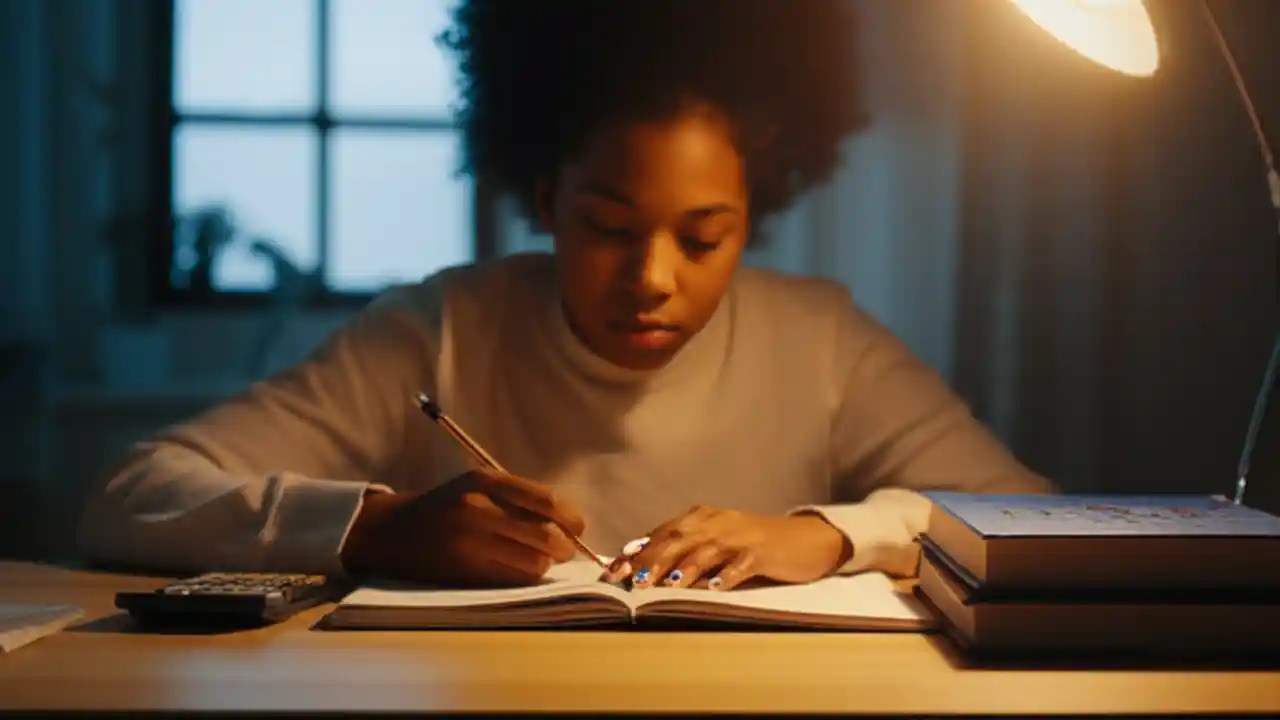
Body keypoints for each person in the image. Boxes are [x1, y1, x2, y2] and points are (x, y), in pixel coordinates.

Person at [78, 0, 1050, 591]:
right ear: (546, 199)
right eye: (608, 228)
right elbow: (132, 496)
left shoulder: (818, 338)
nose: (651, 279)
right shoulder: (438, 330)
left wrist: (823, 533)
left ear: (755, 212)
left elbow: (1028, 517)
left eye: (702, 237)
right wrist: (377, 526)